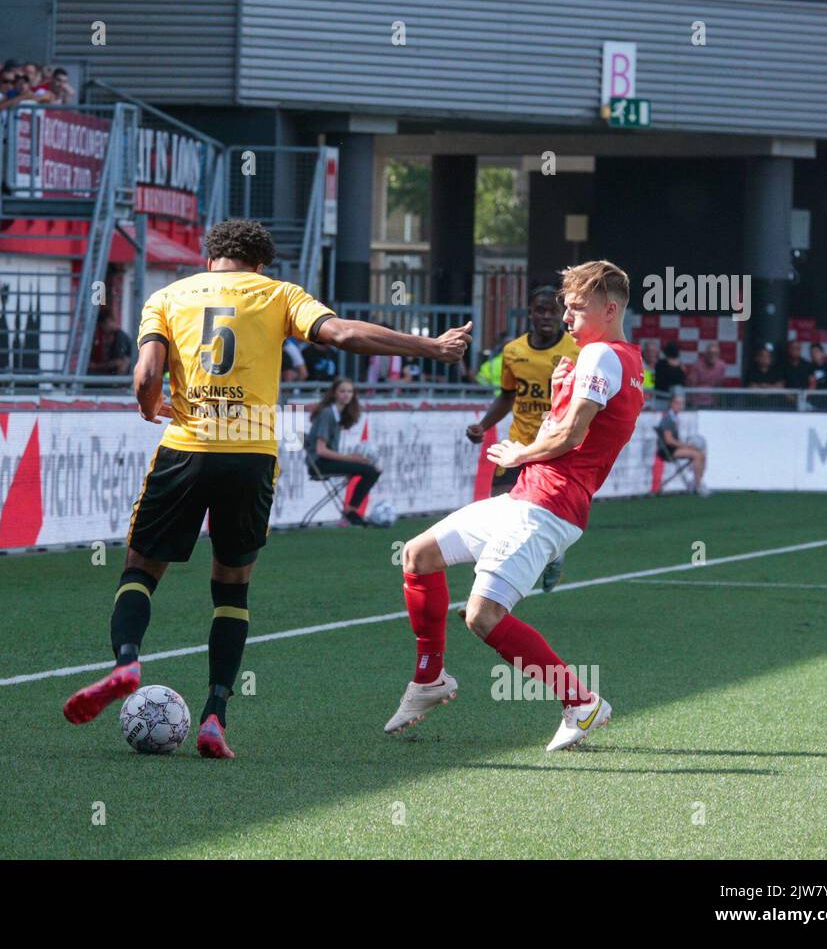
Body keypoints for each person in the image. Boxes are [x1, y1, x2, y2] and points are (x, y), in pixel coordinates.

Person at [62, 218, 470, 759]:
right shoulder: (278, 294)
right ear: (260, 263)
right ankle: (214, 716)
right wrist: (432, 346)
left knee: (140, 568)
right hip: (251, 457)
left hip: (185, 449)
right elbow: (345, 334)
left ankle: (127, 661)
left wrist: (148, 408)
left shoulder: (166, 297)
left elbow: (144, 377)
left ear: (211, 258)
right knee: (231, 589)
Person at [386, 260, 643, 752]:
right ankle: (429, 678)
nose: (567, 319)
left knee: (482, 616)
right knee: (418, 555)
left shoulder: (602, 357)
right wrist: (557, 395)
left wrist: (520, 451)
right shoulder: (624, 360)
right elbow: (569, 427)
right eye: (565, 308)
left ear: (609, 309)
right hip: (530, 495)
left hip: (547, 504)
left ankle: (581, 702)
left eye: (576, 309)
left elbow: (571, 435)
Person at [465, 285, 579, 592]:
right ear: (529, 313)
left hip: (554, 449)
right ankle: (489, 589)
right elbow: (507, 396)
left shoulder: (576, 351)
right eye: (539, 310)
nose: (546, 316)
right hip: (517, 445)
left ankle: (553, 554)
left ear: (561, 315)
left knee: (540, 517)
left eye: (552, 311)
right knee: (500, 512)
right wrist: (483, 425)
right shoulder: (513, 351)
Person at [304, 378, 381, 526]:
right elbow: (321, 451)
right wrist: (350, 458)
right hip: (319, 464)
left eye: (349, 391)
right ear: (334, 393)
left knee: (372, 469)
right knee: (371, 471)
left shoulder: (337, 414)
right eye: (342, 391)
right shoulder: (328, 413)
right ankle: (350, 511)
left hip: (326, 461)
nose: (346, 395)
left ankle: (350, 511)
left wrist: (351, 458)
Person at [657, 390, 708, 495]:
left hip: (673, 449)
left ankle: (697, 481)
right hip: (668, 451)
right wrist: (686, 445)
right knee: (697, 454)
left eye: (681, 403)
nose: (680, 406)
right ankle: (697, 486)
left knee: (702, 453)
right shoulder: (668, 419)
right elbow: (669, 440)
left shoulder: (673, 418)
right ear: (671, 404)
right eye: (677, 403)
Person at [87, 309, 132, 376]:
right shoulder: (112, 336)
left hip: (118, 377)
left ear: (109, 322)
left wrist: (96, 366)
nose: (103, 329)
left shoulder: (121, 338)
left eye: (104, 325)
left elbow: (119, 362)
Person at [685, 341, 726, 407]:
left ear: (718, 354)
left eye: (715, 353)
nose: (712, 355)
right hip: (696, 402)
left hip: (711, 402)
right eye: (710, 353)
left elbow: (718, 386)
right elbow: (691, 386)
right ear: (706, 353)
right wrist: (693, 404)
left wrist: (716, 404)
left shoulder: (721, 366)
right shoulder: (697, 365)